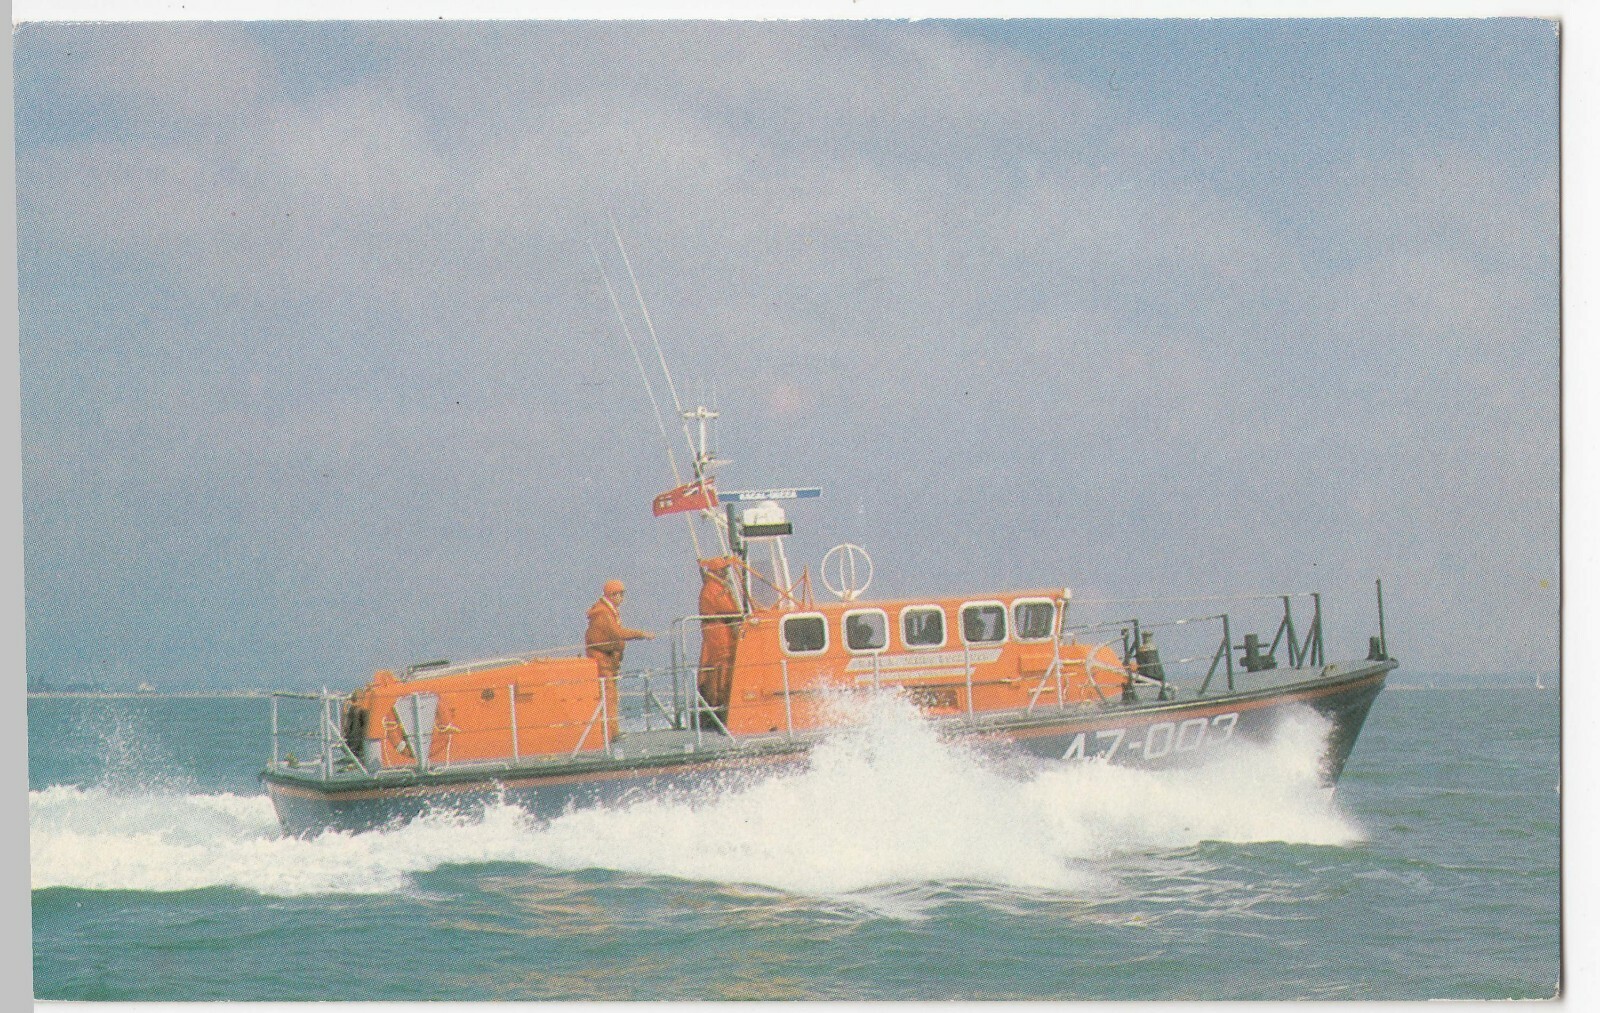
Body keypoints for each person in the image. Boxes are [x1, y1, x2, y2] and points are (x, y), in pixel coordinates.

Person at [696, 557, 743, 726]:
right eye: (724, 569)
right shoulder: (713, 588)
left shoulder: (717, 587)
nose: (726, 573)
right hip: (718, 631)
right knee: (721, 665)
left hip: (721, 629)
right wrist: (742, 612)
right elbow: (729, 609)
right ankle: (718, 705)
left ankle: (719, 704)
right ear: (717, 571)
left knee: (721, 666)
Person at [584, 579, 654, 682]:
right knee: (608, 690)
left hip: (609, 660)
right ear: (612, 595)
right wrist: (642, 634)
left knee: (609, 688)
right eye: (621, 595)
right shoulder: (603, 613)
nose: (622, 598)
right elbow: (617, 633)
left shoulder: (608, 611)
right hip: (603, 661)